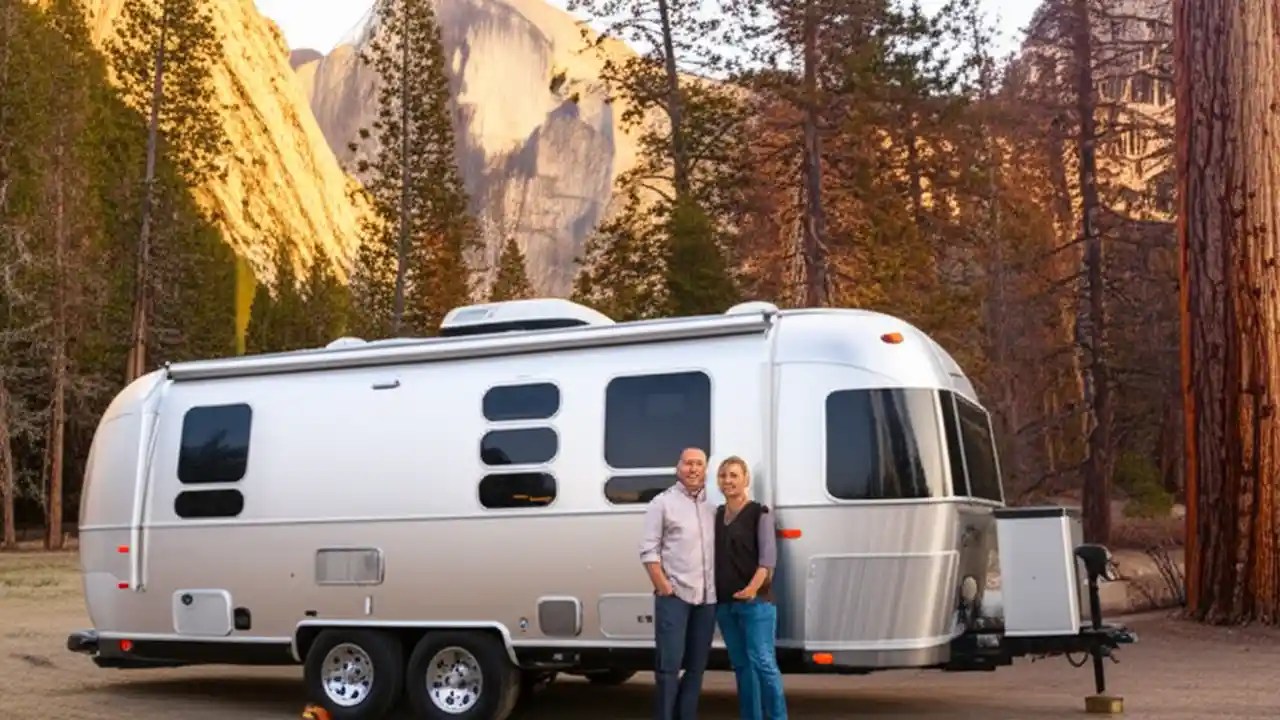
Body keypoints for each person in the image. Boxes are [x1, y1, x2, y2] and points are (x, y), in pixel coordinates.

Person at [639, 447, 718, 720]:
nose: (693, 469)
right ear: (678, 467)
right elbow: (649, 550)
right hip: (675, 597)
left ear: (705, 469)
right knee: (668, 668)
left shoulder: (713, 506)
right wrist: (664, 587)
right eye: (688, 463)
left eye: (699, 464)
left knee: (696, 669)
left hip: (707, 599)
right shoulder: (662, 503)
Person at [714, 456, 788, 720]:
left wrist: (751, 589)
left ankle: (778, 717)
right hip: (725, 605)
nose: (728, 481)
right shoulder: (717, 516)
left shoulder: (760, 513)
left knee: (764, 663)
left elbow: (767, 561)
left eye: (734, 475)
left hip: (756, 604)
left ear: (746, 480)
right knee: (742, 667)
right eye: (723, 476)